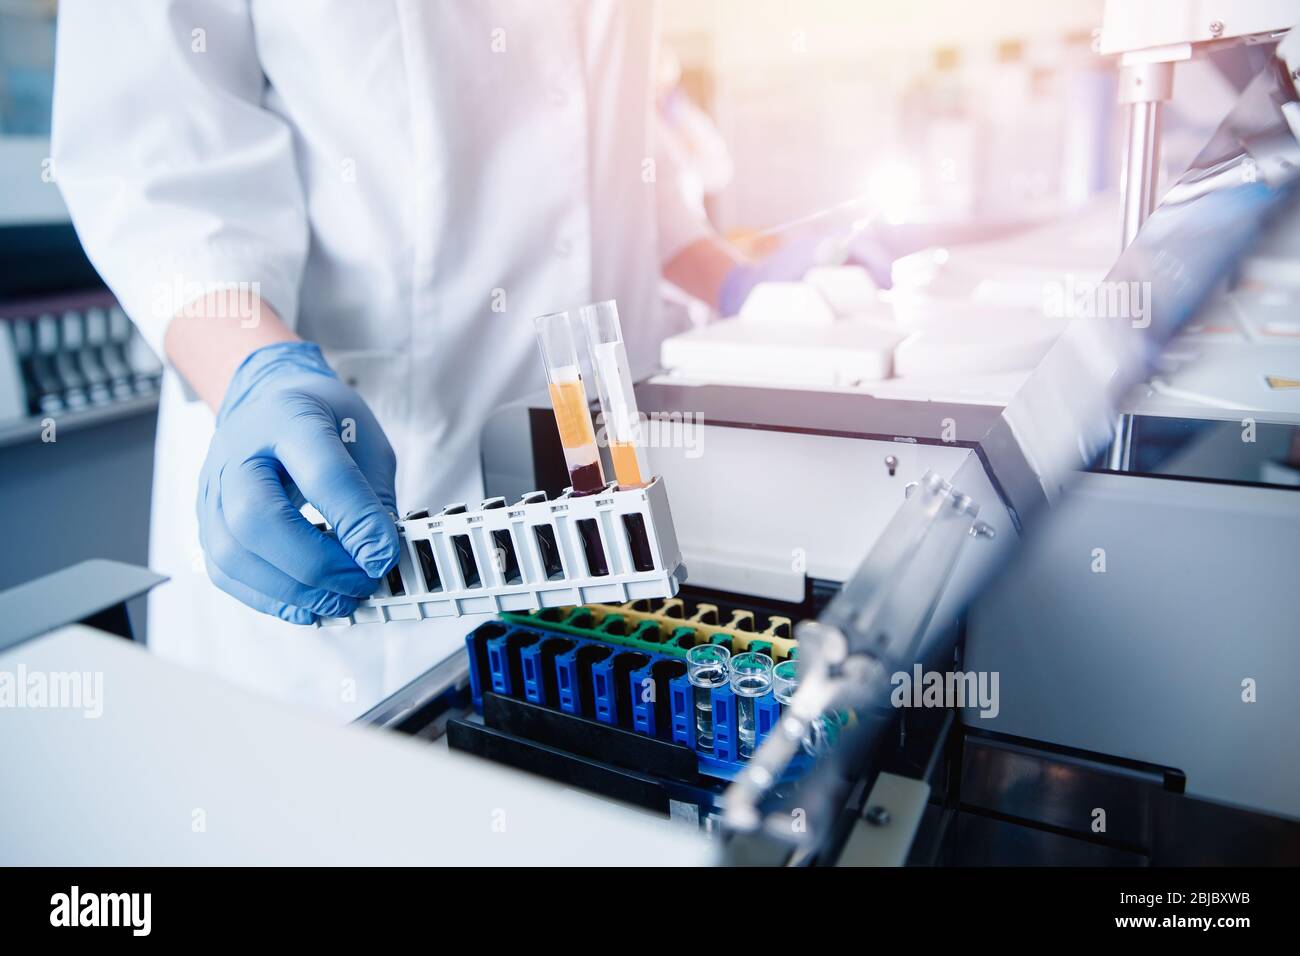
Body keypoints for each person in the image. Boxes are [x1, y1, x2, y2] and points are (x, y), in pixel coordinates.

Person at [52, 1, 814, 719]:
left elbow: (611, 133)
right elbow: (155, 161)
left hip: (620, 511)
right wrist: (254, 371)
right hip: (375, 508)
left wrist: (736, 277)